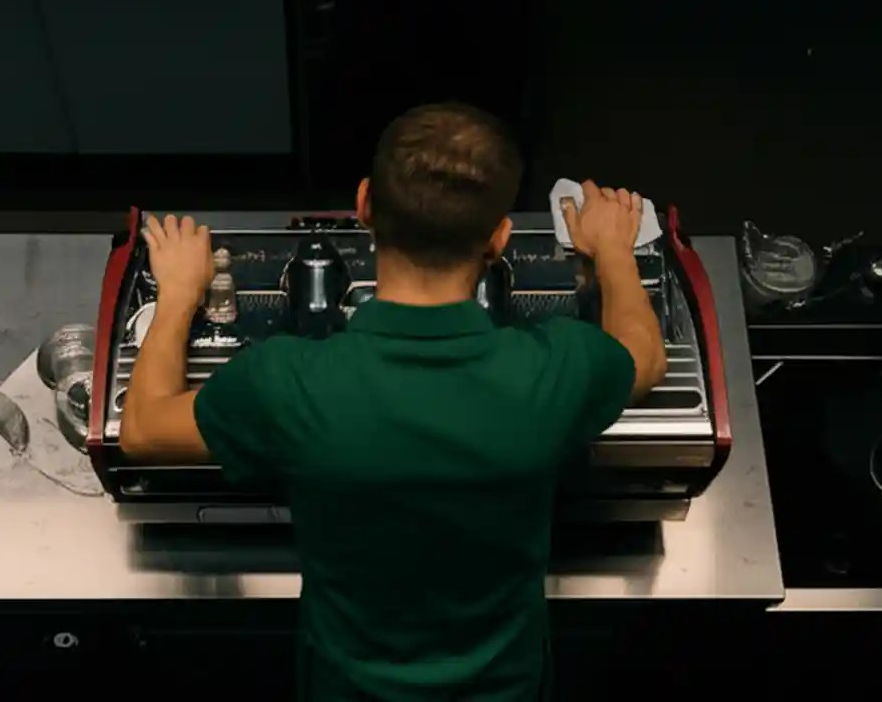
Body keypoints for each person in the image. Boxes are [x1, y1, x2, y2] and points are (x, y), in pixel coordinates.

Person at [119, 102, 667, 700]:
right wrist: (613, 250)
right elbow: (644, 357)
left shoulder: (288, 382)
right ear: (500, 238)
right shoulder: (555, 370)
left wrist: (175, 293)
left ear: (363, 207)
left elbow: (142, 428)